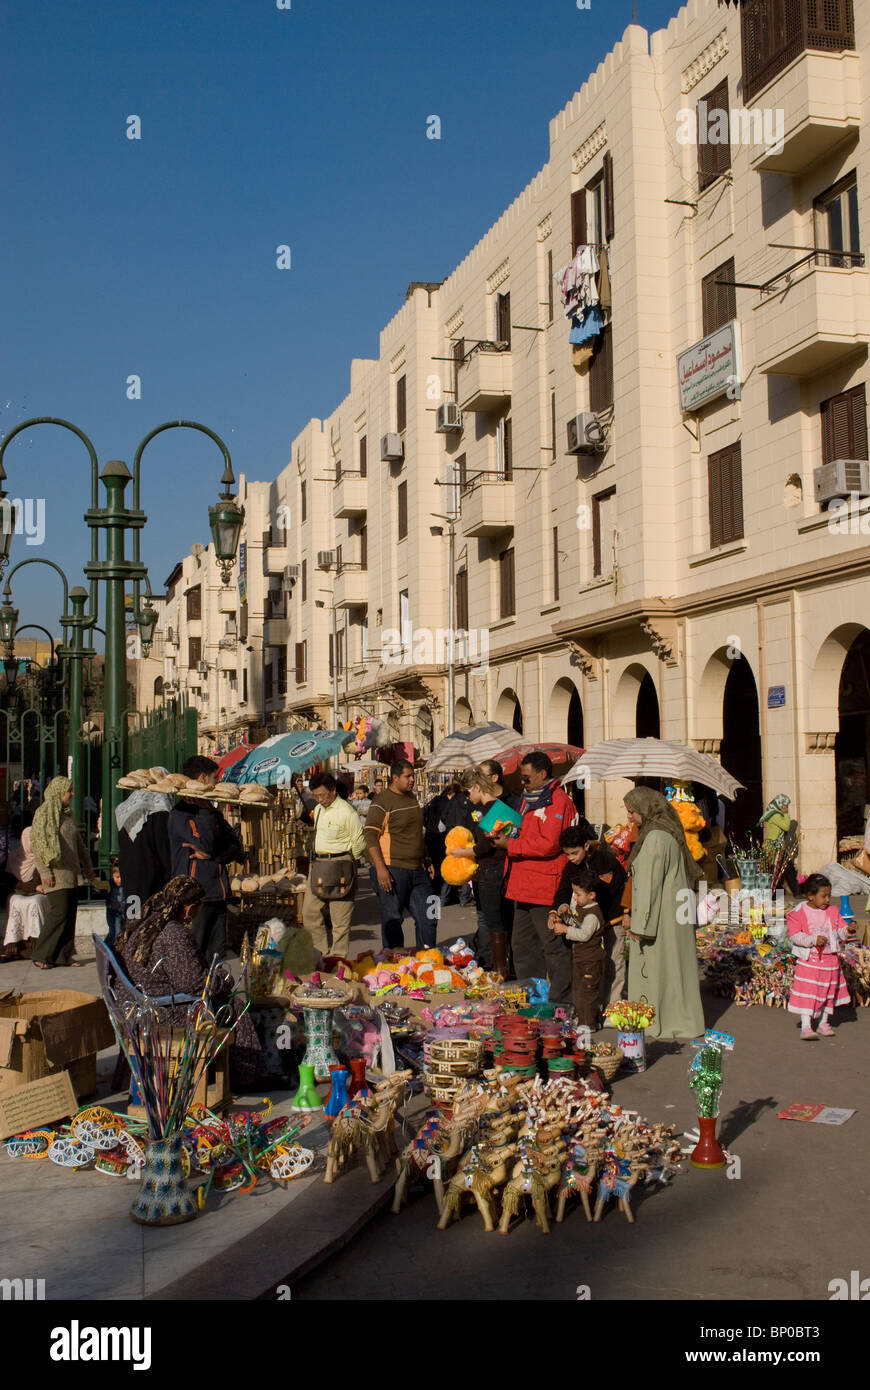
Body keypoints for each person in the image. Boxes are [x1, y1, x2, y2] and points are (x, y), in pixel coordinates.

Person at [115, 876, 263, 1087]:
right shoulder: (173, 933)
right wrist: (224, 980)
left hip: (133, 1002)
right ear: (191, 907)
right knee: (235, 1006)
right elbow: (193, 983)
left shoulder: (147, 921)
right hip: (156, 1010)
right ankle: (244, 1077)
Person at [491, 751, 577, 1005]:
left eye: (527, 778)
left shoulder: (557, 801)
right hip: (521, 884)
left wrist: (511, 845)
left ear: (542, 774)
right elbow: (520, 830)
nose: (523, 783)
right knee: (523, 945)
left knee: (553, 947)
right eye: (521, 779)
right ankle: (531, 997)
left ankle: (561, 1001)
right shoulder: (526, 800)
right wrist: (499, 832)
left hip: (545, 886)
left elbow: (549, 843)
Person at [622, 787, 705, 1041]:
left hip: (660, 917)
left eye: (632, 812)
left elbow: (648, 885)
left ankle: (658, 1020)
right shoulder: (668, 832)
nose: (630, 818)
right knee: (676, 969)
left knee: (659, 970)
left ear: (645, 809)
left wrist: (640, 924)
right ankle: (680, 1017)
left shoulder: (655, 838)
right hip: (673, 913)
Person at [168, 756, 243, 962]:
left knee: (216, 955)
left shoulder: (212, 813)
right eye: (214, 778)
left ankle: (214, 992)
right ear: (202, 779)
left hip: (218, 893)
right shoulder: (181, 815)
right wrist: (203, 808)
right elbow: (205, 843)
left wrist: (214, 856)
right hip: (195, 895)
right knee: (194, 952)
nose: (217, 783)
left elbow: (235, 846)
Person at [552, 821, 626, 1004]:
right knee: (590, 965)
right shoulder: (571, 867)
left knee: (613, 962)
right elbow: (562, 890)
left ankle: (613, 1004)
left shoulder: (606, 861)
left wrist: (627, 912)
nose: (571, 858)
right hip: (585, 921)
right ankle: (592, 1004)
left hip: (612, 919)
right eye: (567, 854)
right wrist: (560, 906)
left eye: (574, 853)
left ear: (586, 846)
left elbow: (622, 888)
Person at [365, 759, 435, 950]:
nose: (412, 780)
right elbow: (370, 835)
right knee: (393, 920)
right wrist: (380, 868)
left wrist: (426, 857)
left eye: (413, 775)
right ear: (395, 778)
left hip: (418, 870)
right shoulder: (382, 801)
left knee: (429, 914)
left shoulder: (412, 797)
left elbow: (416, 832)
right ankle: (395, 965)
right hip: (392, 869)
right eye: (408, 776)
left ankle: (427, 959)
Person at [30, 776, 97, 969]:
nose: (72, 794)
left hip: (72, 872)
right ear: (59, 792)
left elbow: (79, 844)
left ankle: (64, 956)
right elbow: (38, 843)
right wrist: (44, 872)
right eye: (69, 791)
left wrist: (88, 867)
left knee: (69, 915)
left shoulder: (67, 814)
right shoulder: (44, 813)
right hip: (56, 873)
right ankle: (41, 954)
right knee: (58, 913)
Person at [455, 766, 515, 976]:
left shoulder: (487, 811)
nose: (467, 797)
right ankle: (510, 967)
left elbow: (484, 846)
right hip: (508, 869)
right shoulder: (504, 807)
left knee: (494, 921)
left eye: (468, 792)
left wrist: (460, 852)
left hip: (491, 871)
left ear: (478, 787)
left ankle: (500, 969)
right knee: (508, 920)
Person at [302, 771, 367, 960]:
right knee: (310, 913)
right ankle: (320, 954)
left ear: (332, 791)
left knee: (340, 920)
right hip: (319, 865)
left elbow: (359, 842)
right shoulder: (320, 809)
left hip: (340, 865)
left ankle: (336, 961)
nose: (319, 800)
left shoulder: (347, 811)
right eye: (316, 796)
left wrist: (348, 862)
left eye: (322, 795)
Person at [786, 873, 854, 1039]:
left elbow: (840, 930)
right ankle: (806, 1026)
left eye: (829, 895)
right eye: (823, 896)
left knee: (827, 992)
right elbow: (795, 935)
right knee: (809, 992)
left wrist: (848, 930)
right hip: (810, 962)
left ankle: (823, 1022)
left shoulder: (832, 911)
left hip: (830, 961)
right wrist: (813, 940)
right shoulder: (799, 912)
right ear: (810, 896)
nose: (827, 900)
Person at [548, 869, 607, 1030]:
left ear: (591, 895)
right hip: (581, 959)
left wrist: (565, 930)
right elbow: (576, 924)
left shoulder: (592, 915)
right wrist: (565, 917)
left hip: (590, 960)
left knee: (587, 994)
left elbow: (583, 934)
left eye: (578, 894)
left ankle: (588, 1024)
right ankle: (584, 1020)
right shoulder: (583, 909)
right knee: (579, 992)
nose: (574, 897)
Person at [115, 773, 173, 921]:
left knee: (133, 916)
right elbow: (163, 849)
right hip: (151, 875)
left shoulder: (126, 811)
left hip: (130, 874)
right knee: (149, 920)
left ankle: (129, 941)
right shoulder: (159, 813)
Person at [0, 818, 45, 961]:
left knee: (36, 902)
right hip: (18, 893)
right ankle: (14, 946)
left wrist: (37, 887)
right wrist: (33, 886)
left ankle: (34, 945)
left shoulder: (42, 858)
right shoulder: (15, 858)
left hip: (38, 894)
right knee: (16, 902)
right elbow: (10, 883)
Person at [104, 860, 125, 949]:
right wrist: (92, 878)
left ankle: (107, 947)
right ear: (112, 876)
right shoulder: (109, 885)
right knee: (116, 931)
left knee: (117, 932)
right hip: (113, 913)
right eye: (117, 877)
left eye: (121, 877)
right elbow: (99, 884)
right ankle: (109, 948)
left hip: (122, 911)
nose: (119, 880)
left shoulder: (125, 884)